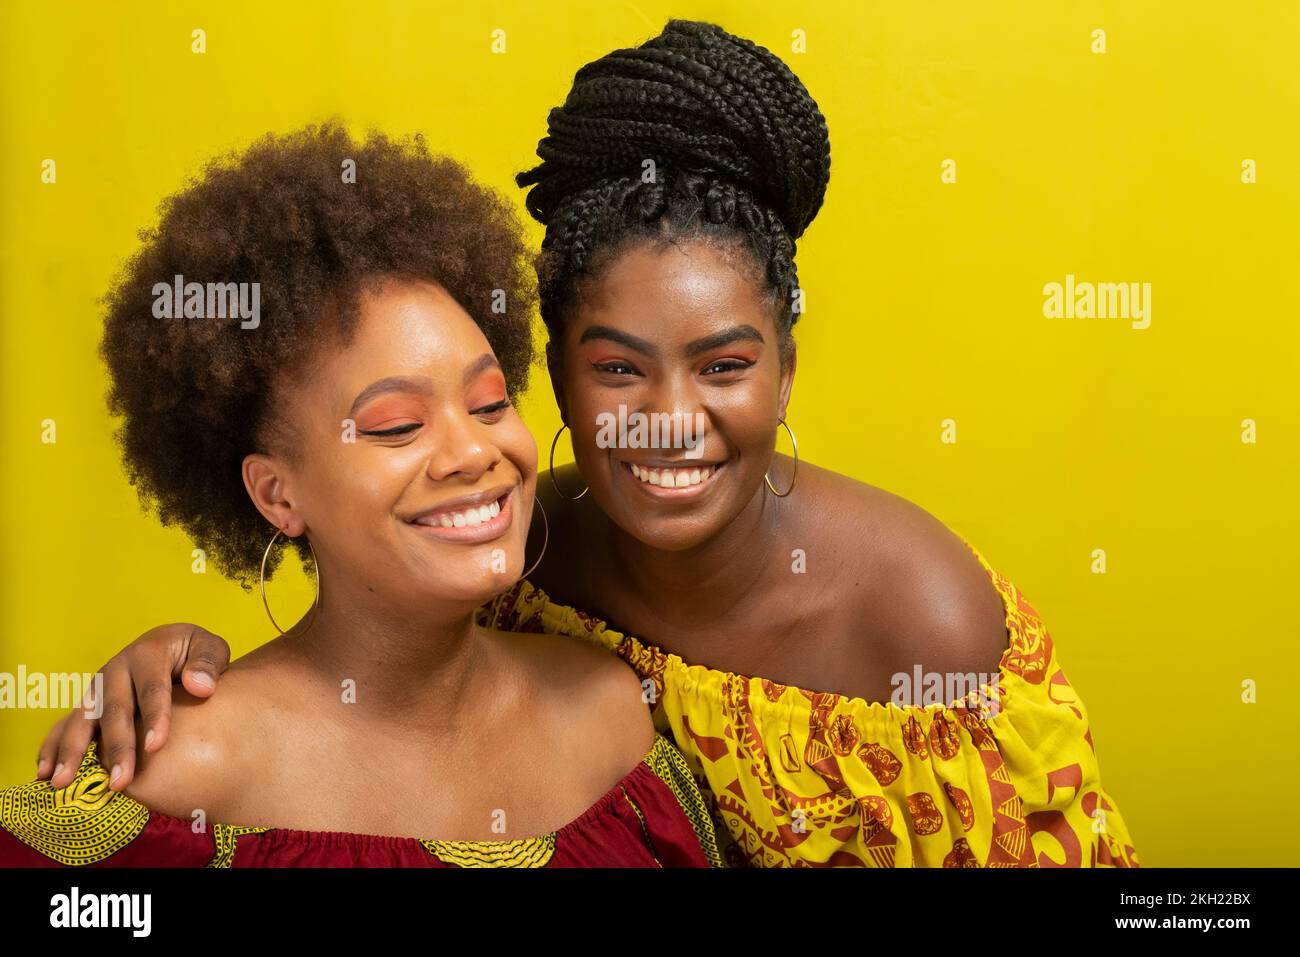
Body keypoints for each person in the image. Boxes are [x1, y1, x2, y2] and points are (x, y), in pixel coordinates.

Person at [34, 21, 1138, 868]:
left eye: (725, 364)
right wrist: (179, 659)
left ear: (787, 370)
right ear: (555, 373)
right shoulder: (524, 556)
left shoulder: (897, 630)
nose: (667, 415)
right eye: (616, 368)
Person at [0, 124, 721, 868]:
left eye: (489, 403)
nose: (475, 452)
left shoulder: (611, 719)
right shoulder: (181, 773)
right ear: (278, 495)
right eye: (397, 424)